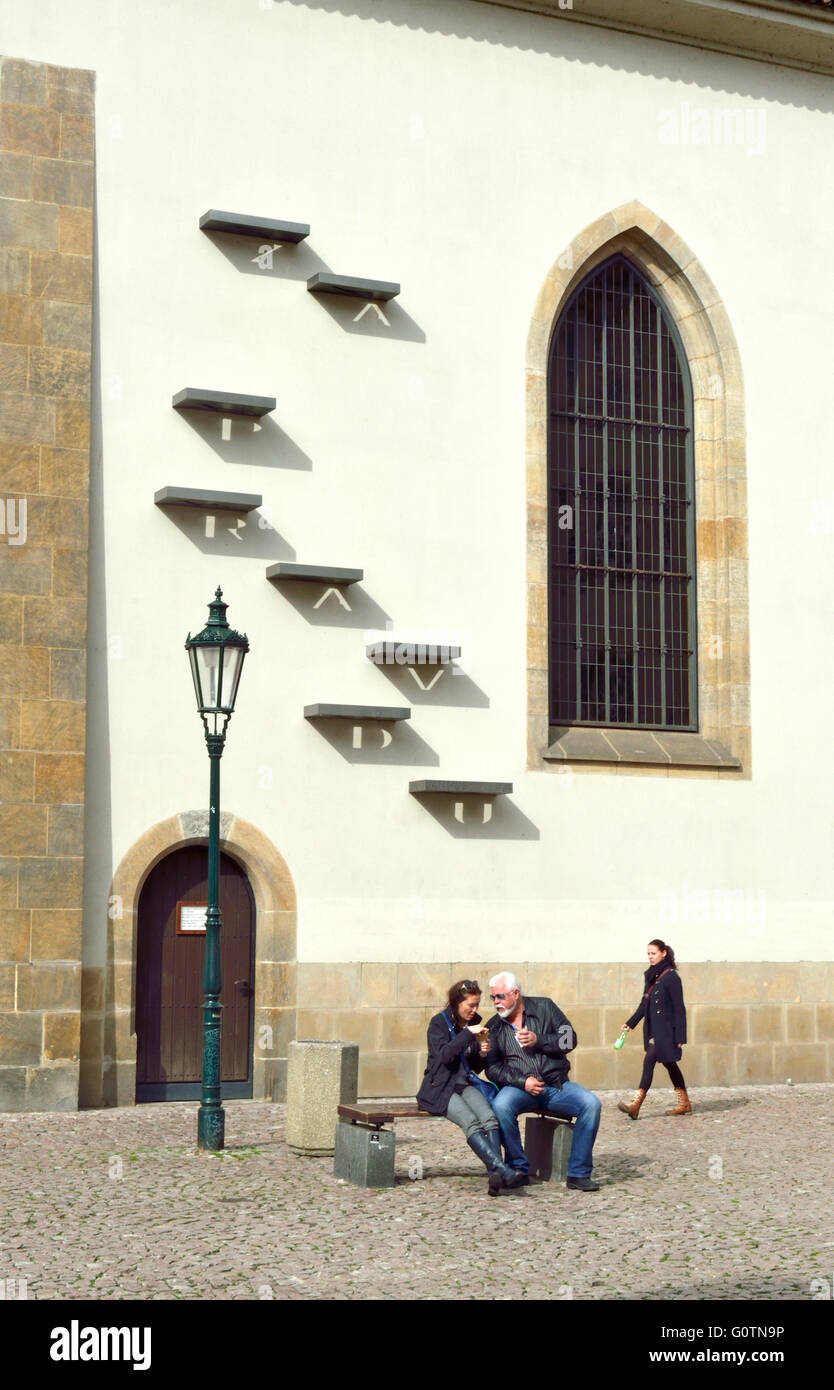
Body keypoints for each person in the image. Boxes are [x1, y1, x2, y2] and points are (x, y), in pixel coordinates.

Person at [484, 972, 603, 1192]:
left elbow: (570, 1039)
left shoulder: (545, 1007)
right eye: (493, 998)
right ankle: (518, 1169)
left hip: (555, 1085)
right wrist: (522, 1082)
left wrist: (540, 1040)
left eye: (500, 996)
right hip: (520, 1089)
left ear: (515, 993)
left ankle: (578, 1173)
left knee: (591, 1104)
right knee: (501, 1105)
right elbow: (492, 1068)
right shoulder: (494, 1027)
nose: (496, 1002)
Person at [416, 978, 526, 1196]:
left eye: (477, 1005)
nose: (474, 1010)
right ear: (457, 1003)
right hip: (440, 1088)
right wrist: (468, 1034)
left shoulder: (474, 1023)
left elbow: (474, 1066)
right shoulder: (438, 1024)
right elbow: (444, 1057)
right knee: (471, 1122)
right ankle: (502, 1170)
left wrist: (482, 1053)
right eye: (470, 1005)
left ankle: (497, 1175)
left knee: (489, 1118)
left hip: (464, 1083)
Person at [617, 938, 691, 1119]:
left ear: (663, 953)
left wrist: (680, 1036)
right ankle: (685, 1103)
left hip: (667, 1031)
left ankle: (636, 1104)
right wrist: (630, 1023)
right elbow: (644, 1004)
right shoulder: (651, 976)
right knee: (670, 1064)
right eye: (648, 954)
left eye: (653, 953)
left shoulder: (672, 977)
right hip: (653, 1028)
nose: (650, 957)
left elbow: (679, 1008)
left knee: (649, 1060)